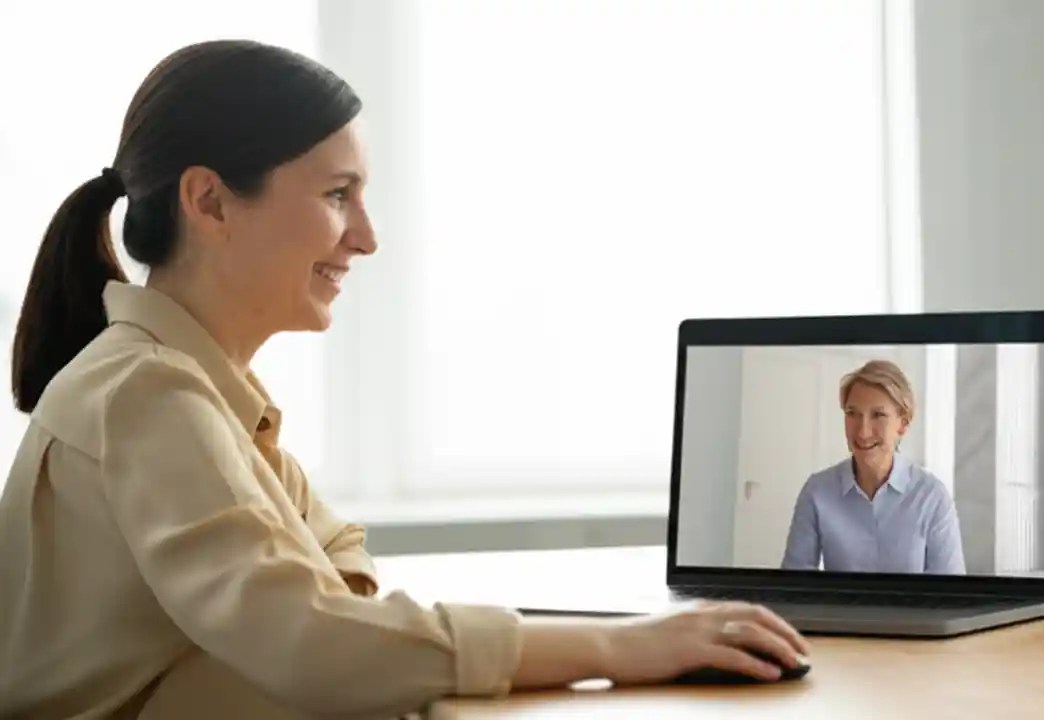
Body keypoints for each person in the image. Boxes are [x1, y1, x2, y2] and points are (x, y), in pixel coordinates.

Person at [0, 40, 809, 719]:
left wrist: (341, 631)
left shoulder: (193, 391)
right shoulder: (150, 397)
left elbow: (335, 580)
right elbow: (309, 638)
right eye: (337, 195)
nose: (367, 237)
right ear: (210, 201)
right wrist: (618, 645)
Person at [780, 360, 965, 574]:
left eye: (878, 415)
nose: (863, 432)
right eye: (852, 414)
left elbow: (951, 594)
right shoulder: (816, 491)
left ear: (903, 423)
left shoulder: (932, 497)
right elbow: (794, 584)